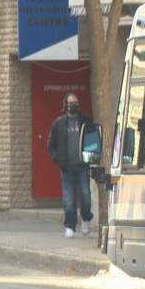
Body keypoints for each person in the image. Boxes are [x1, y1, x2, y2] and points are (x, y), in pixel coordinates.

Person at [47, 93, 94, 238]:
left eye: (76, 102)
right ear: (66, 104)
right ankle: (70, 226)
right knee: (68, 198)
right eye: (71, 102)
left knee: (85, 195)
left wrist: (91, 157)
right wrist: (57, 158)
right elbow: (51, 144)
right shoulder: (59, 123)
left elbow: (93, 140)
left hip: (82, 166)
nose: (73, 105)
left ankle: (86, 218)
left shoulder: (86, 121)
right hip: (66, 167)